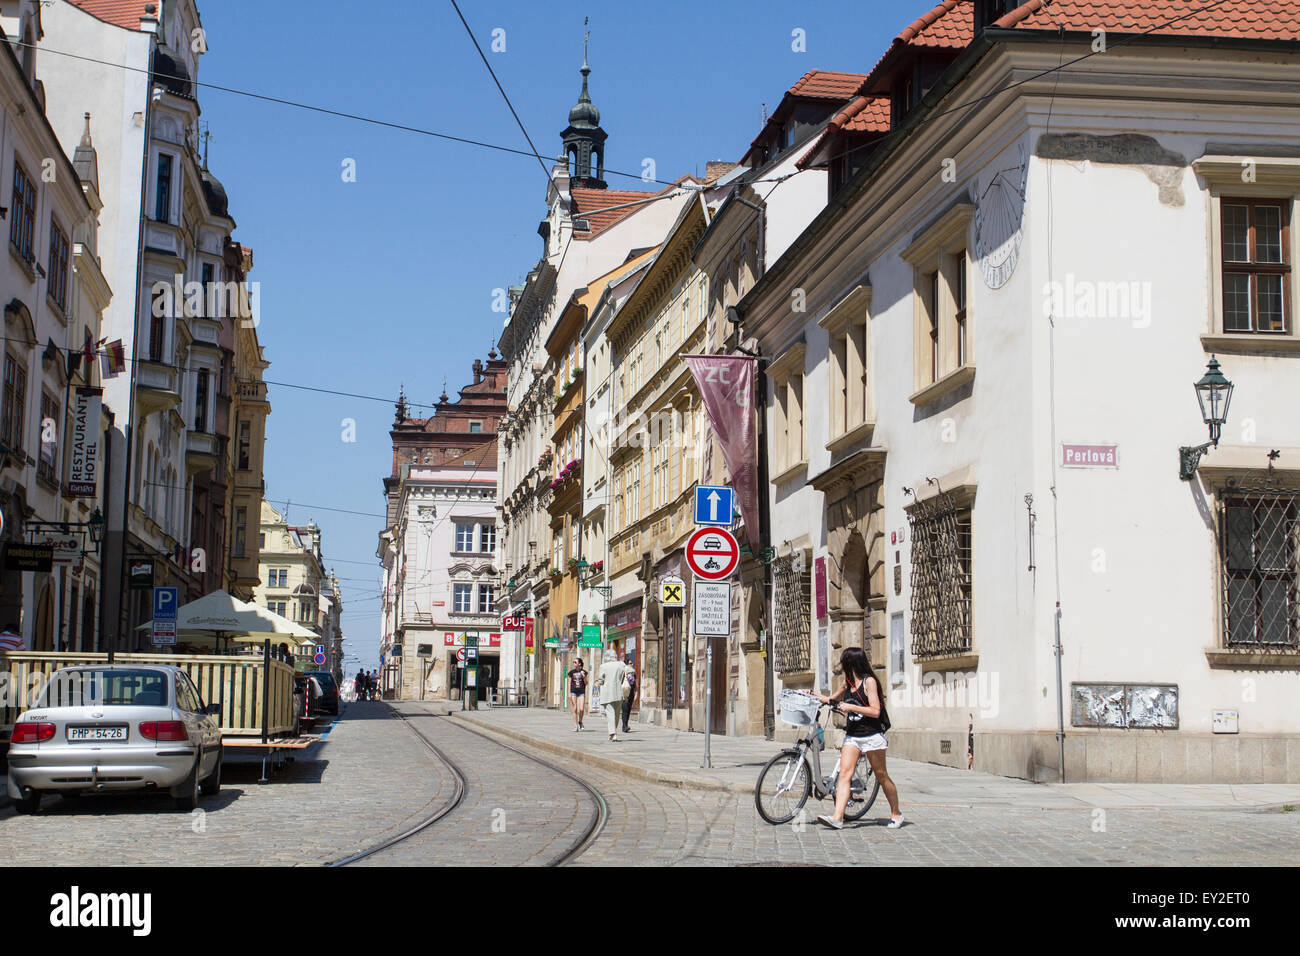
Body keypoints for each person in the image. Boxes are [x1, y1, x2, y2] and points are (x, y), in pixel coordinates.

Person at [815, 646, 903, 830]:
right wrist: (816, 696)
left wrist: (851, 708)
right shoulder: (847, 682)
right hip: (853, 736)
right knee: (845, 774)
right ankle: (837, 817)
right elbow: (833, 699)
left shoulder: (869, 682)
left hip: (871, 735)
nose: (841, 666)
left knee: (881, 775)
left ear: (851, 662)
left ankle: (896, 813)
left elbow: (875, 710)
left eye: (844, 662)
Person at [597, 650, 629, 741]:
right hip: (618, 691)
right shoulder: (621, 665)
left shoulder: (603, 666)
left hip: (608, 692)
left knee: (610, 713)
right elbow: (623, 677)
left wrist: (602, 681)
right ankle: (613, 733)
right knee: (616, 713)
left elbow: (600, 681)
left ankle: (613, 733)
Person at [567, 657, 589, 731]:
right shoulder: (571, 672)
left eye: (575, 662)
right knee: (575, 709)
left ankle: (580, 721)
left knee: (582, 709)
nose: (574, 663)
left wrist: (583, 676)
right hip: (573, 691)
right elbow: (569, 682)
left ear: (579, 664)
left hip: (581, 691)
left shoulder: (584, 672)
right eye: (573, 662)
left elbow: (586, 683)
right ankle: (575, 726)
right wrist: (569, 693)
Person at [620, 655, 636, 733]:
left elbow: (635, 683)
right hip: (625, 692)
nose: (632, 664)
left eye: (632, 663)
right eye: (630, 663)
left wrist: (636, 692)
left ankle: (626, 724)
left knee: (628, 709)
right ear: (626, 664)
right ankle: (624, 726)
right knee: (624, 709)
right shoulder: (623, 672)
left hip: (631, 692)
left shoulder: (633, 672)